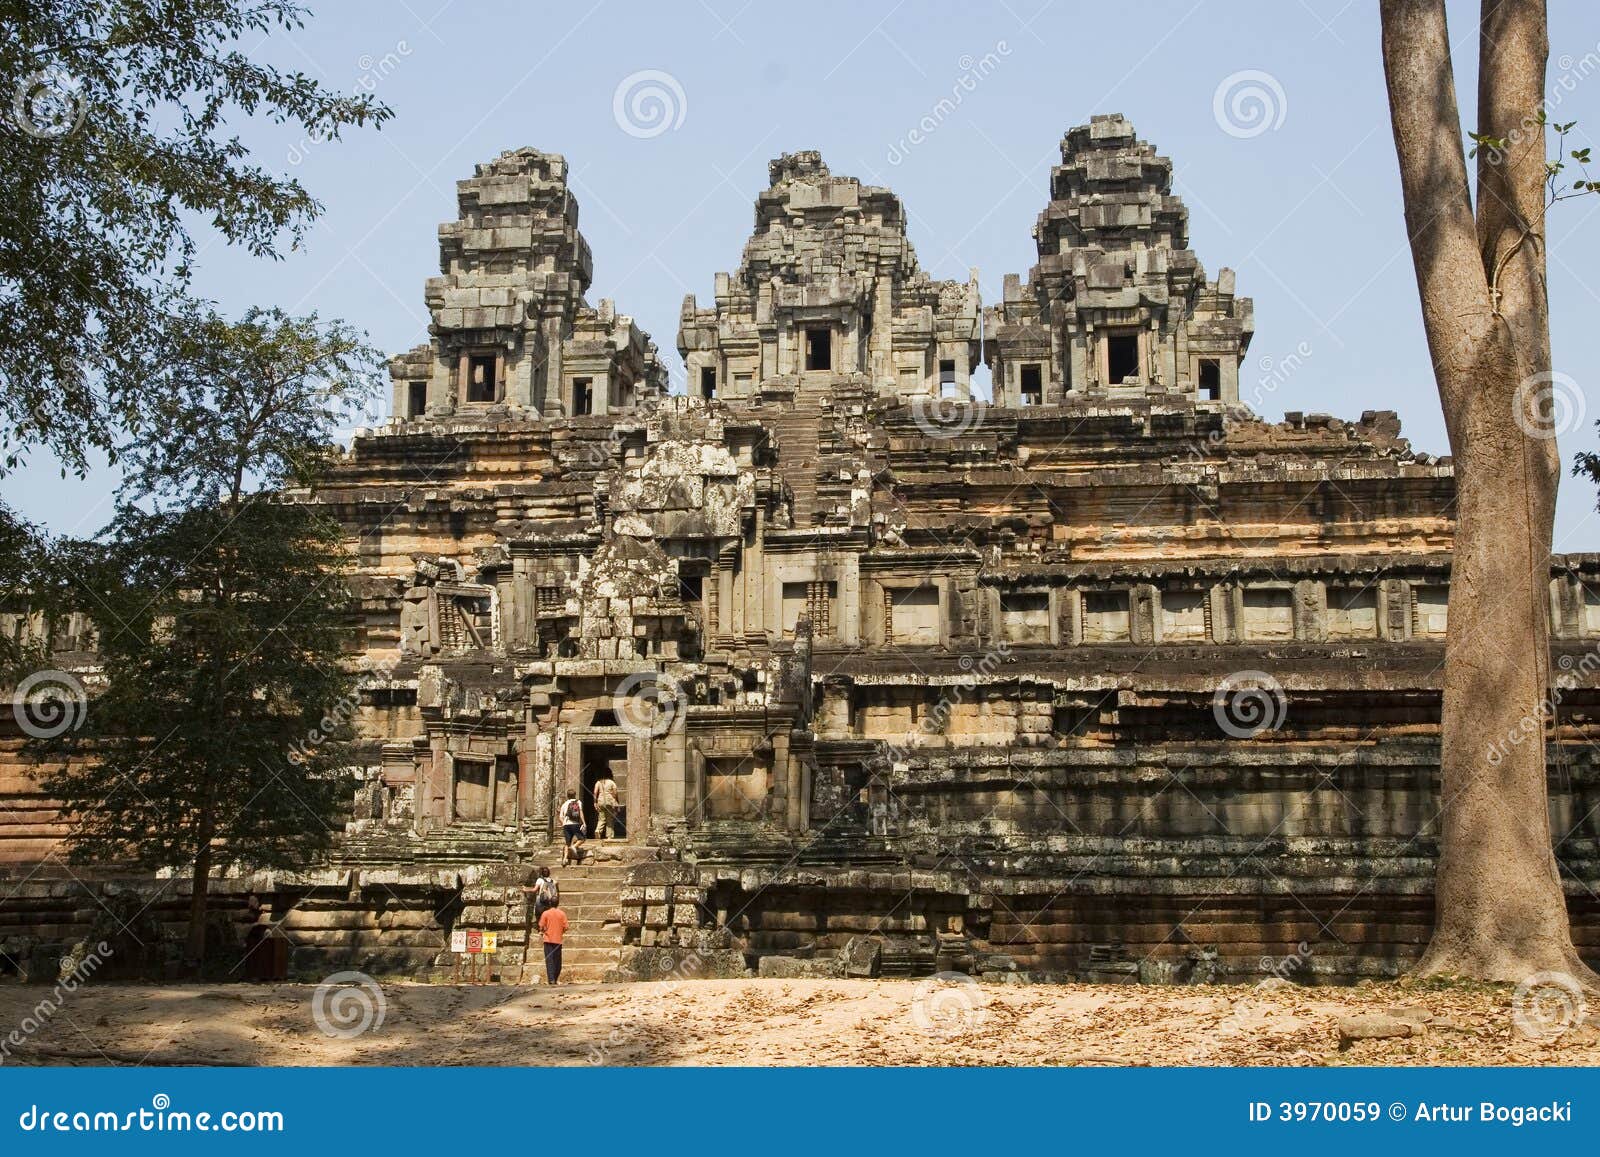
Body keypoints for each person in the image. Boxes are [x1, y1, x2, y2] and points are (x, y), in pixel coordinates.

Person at [538, 900, 568, 986]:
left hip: (548, 940)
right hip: (558, 940)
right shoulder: (562, 914)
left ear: (550, 904)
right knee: (557, 960)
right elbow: (566, 927)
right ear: (558, 903)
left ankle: (551, 979)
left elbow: (541, 926)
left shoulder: (546, 913)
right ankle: (555, 977)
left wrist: (543, 931)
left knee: (549, 960)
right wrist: (560, 932)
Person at [560, 789, 584, 866]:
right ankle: (574, 846)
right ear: (575, 795)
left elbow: (560, 817)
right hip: (575, 823)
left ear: (567, 796)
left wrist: (564, 824)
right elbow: (580, 813)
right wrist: (583, 822)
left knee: (567, 842)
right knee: (582, 838)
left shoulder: (564, 804)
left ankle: (565, 859)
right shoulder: (578, 802)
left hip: (566, 824)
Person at [592, 774, 619, 839]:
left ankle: (598, 830)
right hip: (609, 801)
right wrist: (616, 800)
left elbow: (595, 792)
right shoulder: (612, 782)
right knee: (609, 819)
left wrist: (595, 802)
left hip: (600, 801)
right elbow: (615, 793)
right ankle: (609, 836)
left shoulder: (598, 782)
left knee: (601, 818)